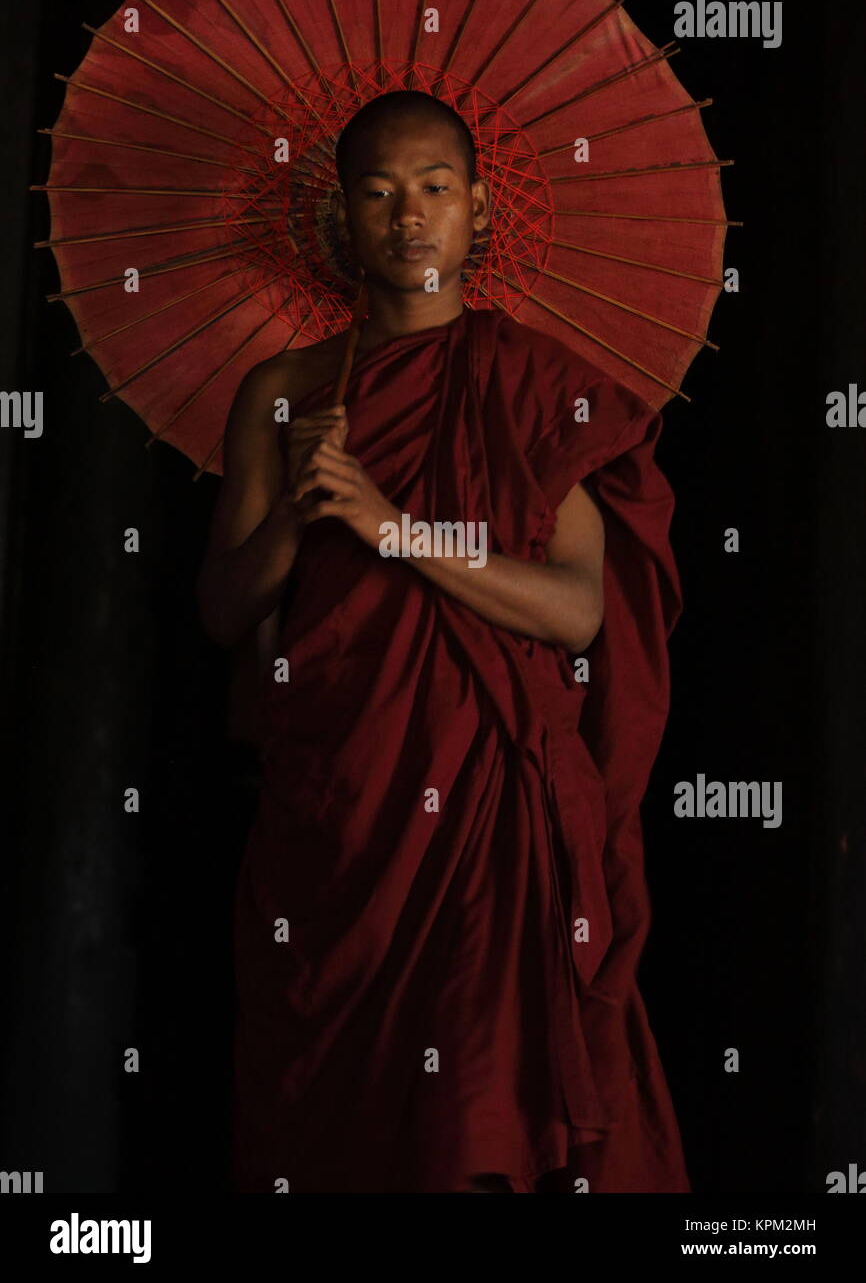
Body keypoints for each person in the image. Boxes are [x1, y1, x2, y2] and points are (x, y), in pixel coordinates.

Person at [196, 90, 690, 1194]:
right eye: (376, 191)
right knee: (329, 1129)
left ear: (476, 206)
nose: (406, 216)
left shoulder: (533, 385)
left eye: (432, 189)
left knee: (471, 1121)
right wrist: (301, 511)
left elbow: (575, 609)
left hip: (481, 810)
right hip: (335, 802)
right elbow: (223, 607)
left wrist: (389, 524)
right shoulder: (281, 394)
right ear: (341, 216)